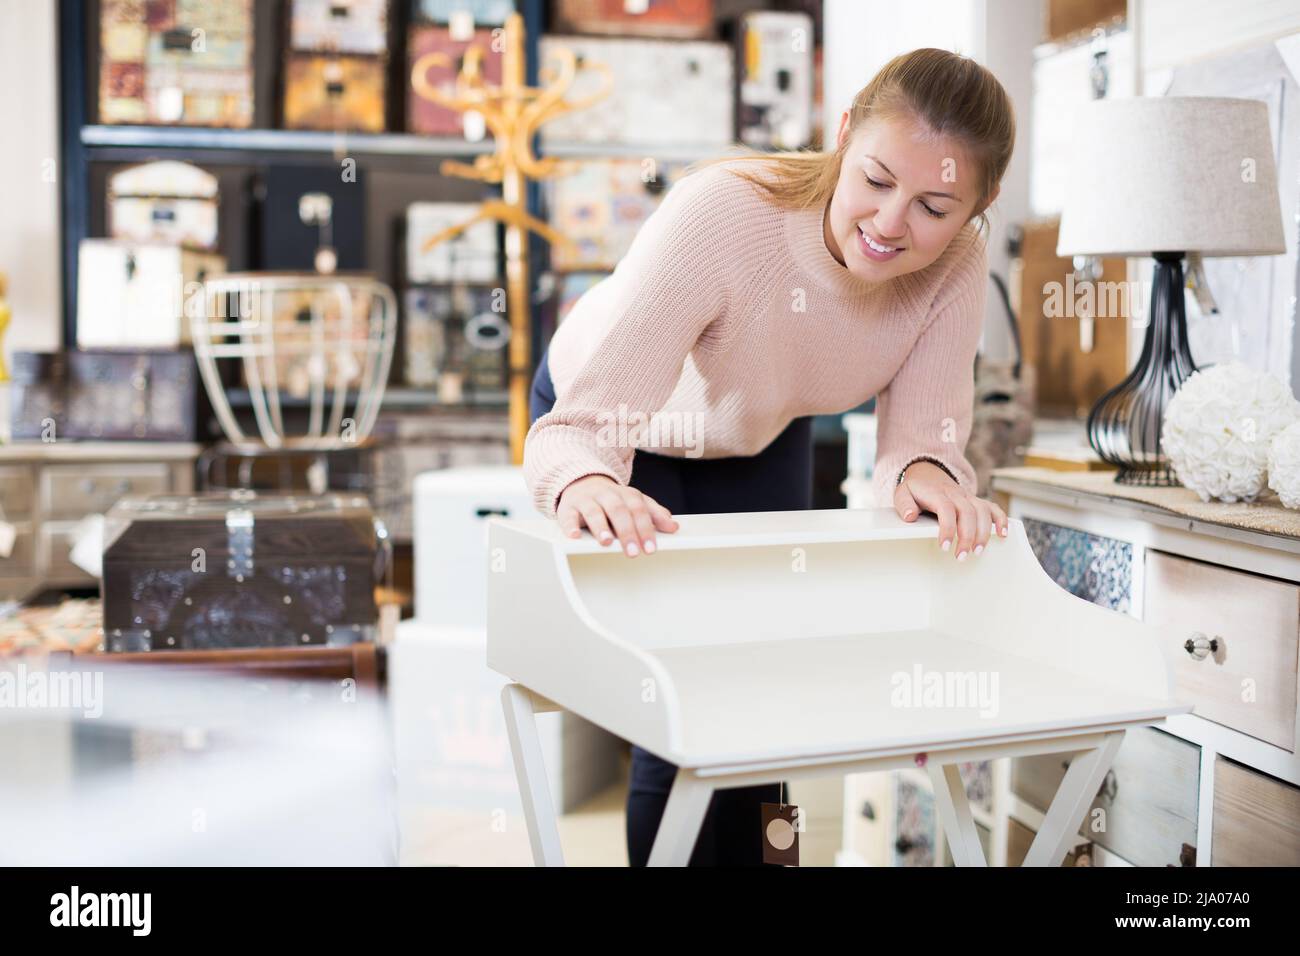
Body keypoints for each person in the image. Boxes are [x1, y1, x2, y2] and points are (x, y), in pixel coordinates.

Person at [525, 48, 1016, 866]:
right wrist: (581, 474)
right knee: (679, 704)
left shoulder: (958, 262)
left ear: (980, 203)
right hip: (624, 416)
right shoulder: (723, 212)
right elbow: (588, 418)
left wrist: (931, 479)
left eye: (935, 205)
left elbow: (920, 444)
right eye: (877, 180)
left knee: (765, 694)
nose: (892, 224)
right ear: (845, 129)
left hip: (760, 421)